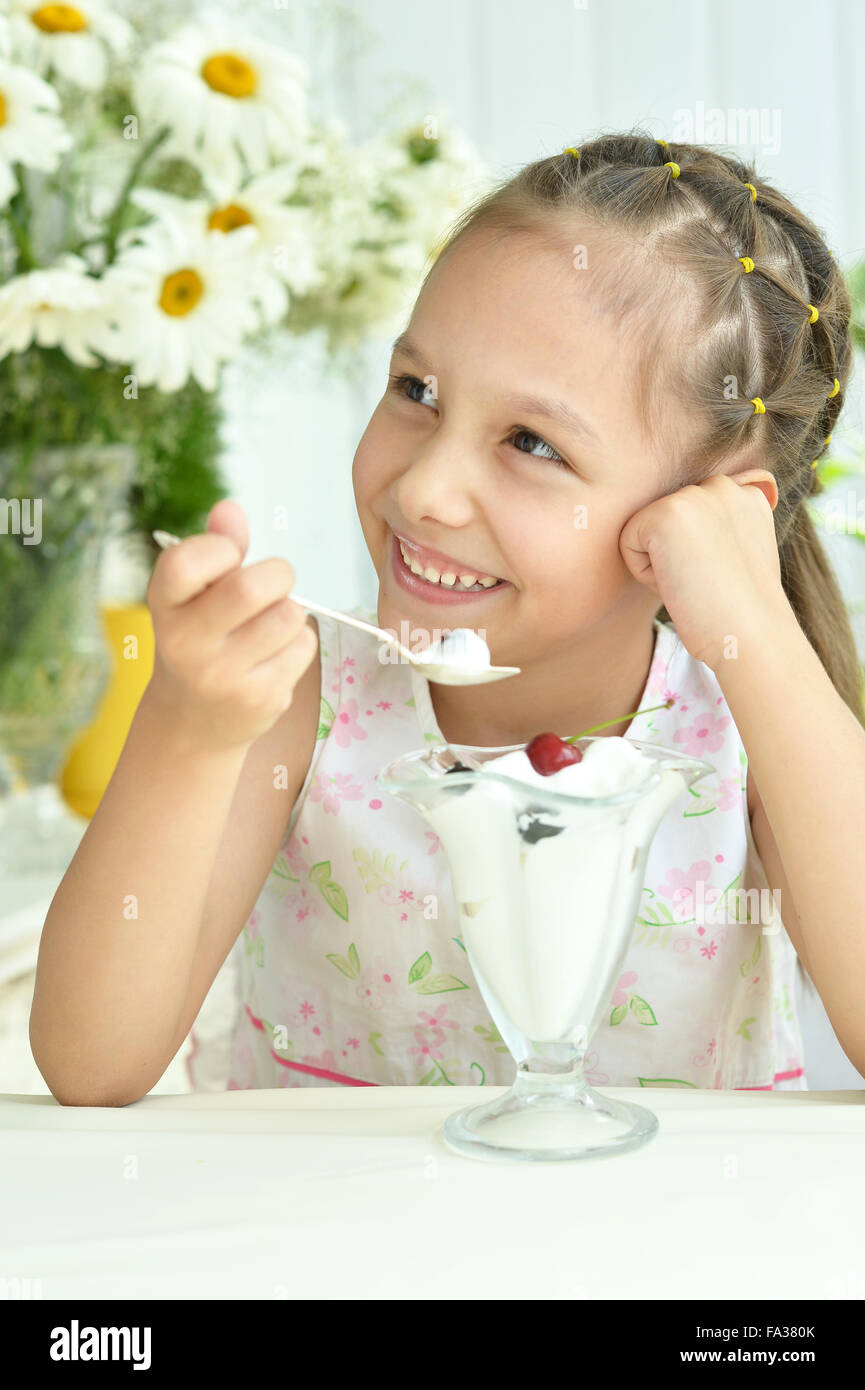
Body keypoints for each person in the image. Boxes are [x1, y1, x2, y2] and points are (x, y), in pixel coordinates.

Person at [31, 130, 865, 1104]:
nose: (425, 489)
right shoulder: (304, 693)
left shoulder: (744, 727)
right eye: (416, 391)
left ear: (703, 520)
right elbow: (92, 1065)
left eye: (530, 442)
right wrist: (186, 728)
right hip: (333, 1244)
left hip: (656, 1252)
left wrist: (756, 633)